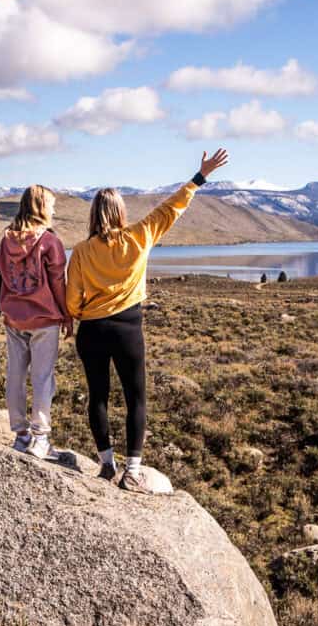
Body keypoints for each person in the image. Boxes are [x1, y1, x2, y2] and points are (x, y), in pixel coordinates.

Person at [66, 148, 228, 493]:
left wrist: (84, 313)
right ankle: (133, 470)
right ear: (121, 212)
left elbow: (71, 300)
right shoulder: (140, 235)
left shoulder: (81, 251)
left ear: (94, 215)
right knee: (136, 397)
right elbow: (172, 208)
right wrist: (200, 177)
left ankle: (106, 464)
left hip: (92, 330)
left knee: (98, 396)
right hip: (127, 329)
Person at [0, 184, 72, 459]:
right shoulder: (50, 242)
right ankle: (40, 439)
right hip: (44, 318)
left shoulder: (7, 240)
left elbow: (3, 276)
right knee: (42, 379)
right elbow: (57, 283)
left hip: (14, 317)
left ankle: (20, 435)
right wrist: (66, 315)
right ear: (41, 207)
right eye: (51, 205)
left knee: (15, 375)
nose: (53, 210)